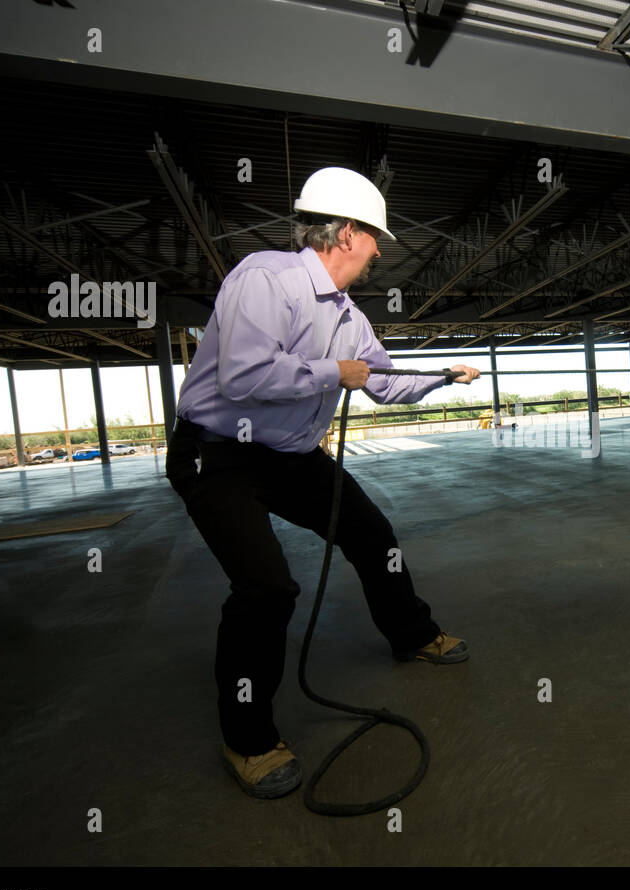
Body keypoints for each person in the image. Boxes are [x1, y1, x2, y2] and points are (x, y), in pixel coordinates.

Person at [165, 167, 480, 799]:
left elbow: (383, 382)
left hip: (288, 453)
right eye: (374, 235)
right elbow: (245, 377)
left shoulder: (349, 316)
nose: (380, 249)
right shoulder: (263, 278)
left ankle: (412, 634)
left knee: (372, 535)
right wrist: (335, 371)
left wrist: (444, 376)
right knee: (266, 588)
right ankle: (248, 738)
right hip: (217, 453)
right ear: (345, 234)